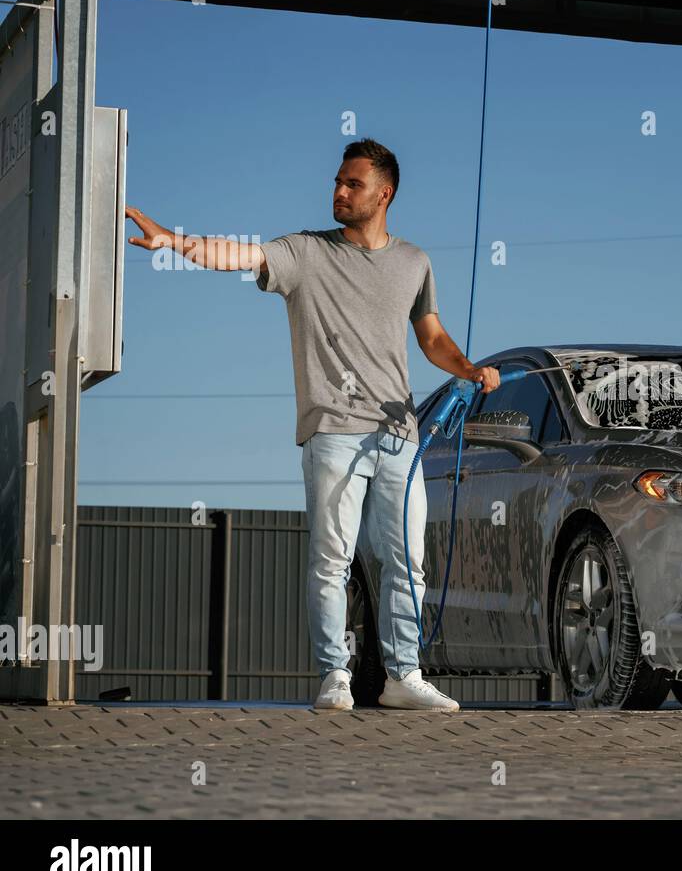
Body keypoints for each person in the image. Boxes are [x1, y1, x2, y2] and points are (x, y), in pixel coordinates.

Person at [125, 137, 500, 712]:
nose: (339, 191)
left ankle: (403, 677)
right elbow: (241, 254)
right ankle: (335, 677)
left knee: (408, 562)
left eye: (353, 184)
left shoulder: (414, 262)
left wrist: (469, 368)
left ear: (384, 194)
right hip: (332, 430)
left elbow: (432, 338)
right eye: (338, 181)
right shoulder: (305, 252)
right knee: (332, 559)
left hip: (400, 434)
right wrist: (172, 243)